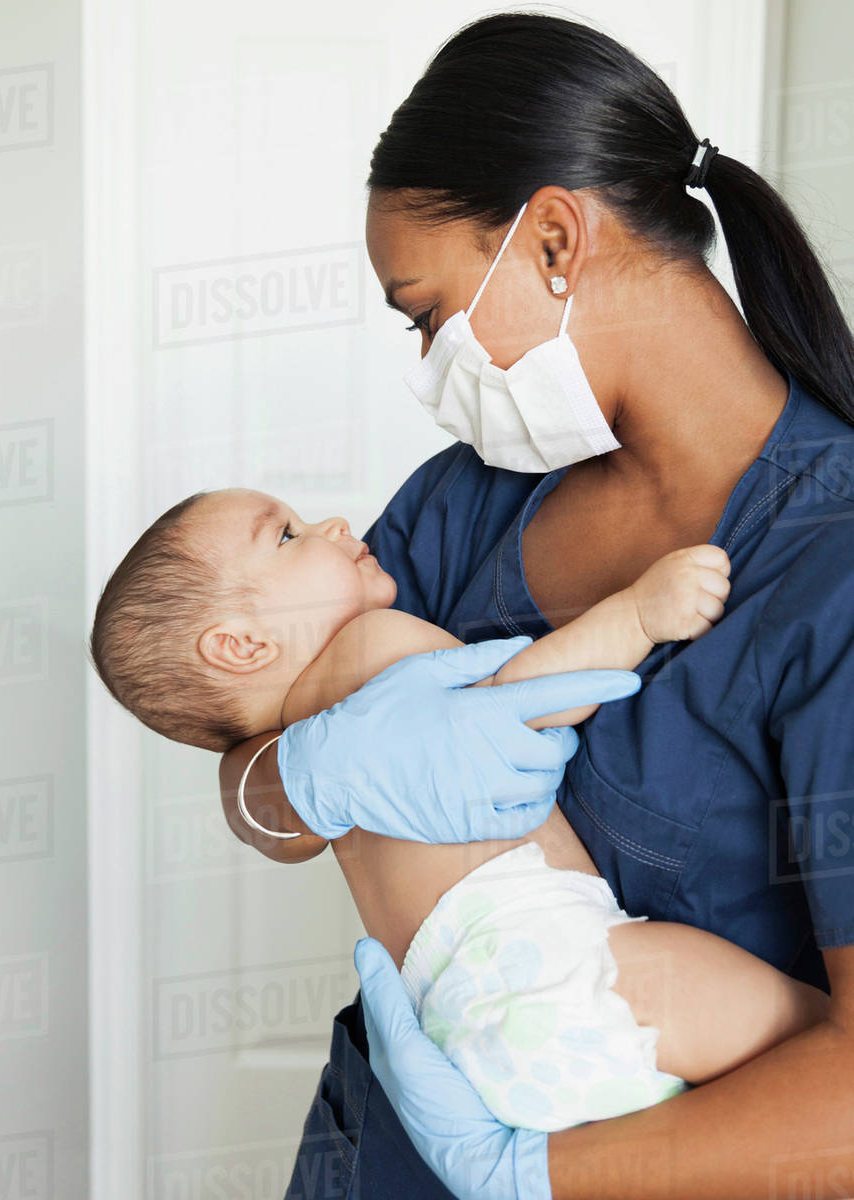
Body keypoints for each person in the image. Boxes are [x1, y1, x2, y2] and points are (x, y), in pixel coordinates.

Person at [219, 13, 854, 1200]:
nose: (426, 363)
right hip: (376, 1151)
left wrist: (534, 1178)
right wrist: (292, 779)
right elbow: (252, 735)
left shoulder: (831, 572)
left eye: (425, 312)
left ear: (554, 238)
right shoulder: (472, 500)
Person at [89, 483, 830, 1138]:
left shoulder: (307, 734)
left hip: (470, 1045)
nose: (336, 525)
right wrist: (637, 615)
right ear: (242, 644)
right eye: (287, 535)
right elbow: (523, 699)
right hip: (562, 974)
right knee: (815, 1039)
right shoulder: (367, 644)